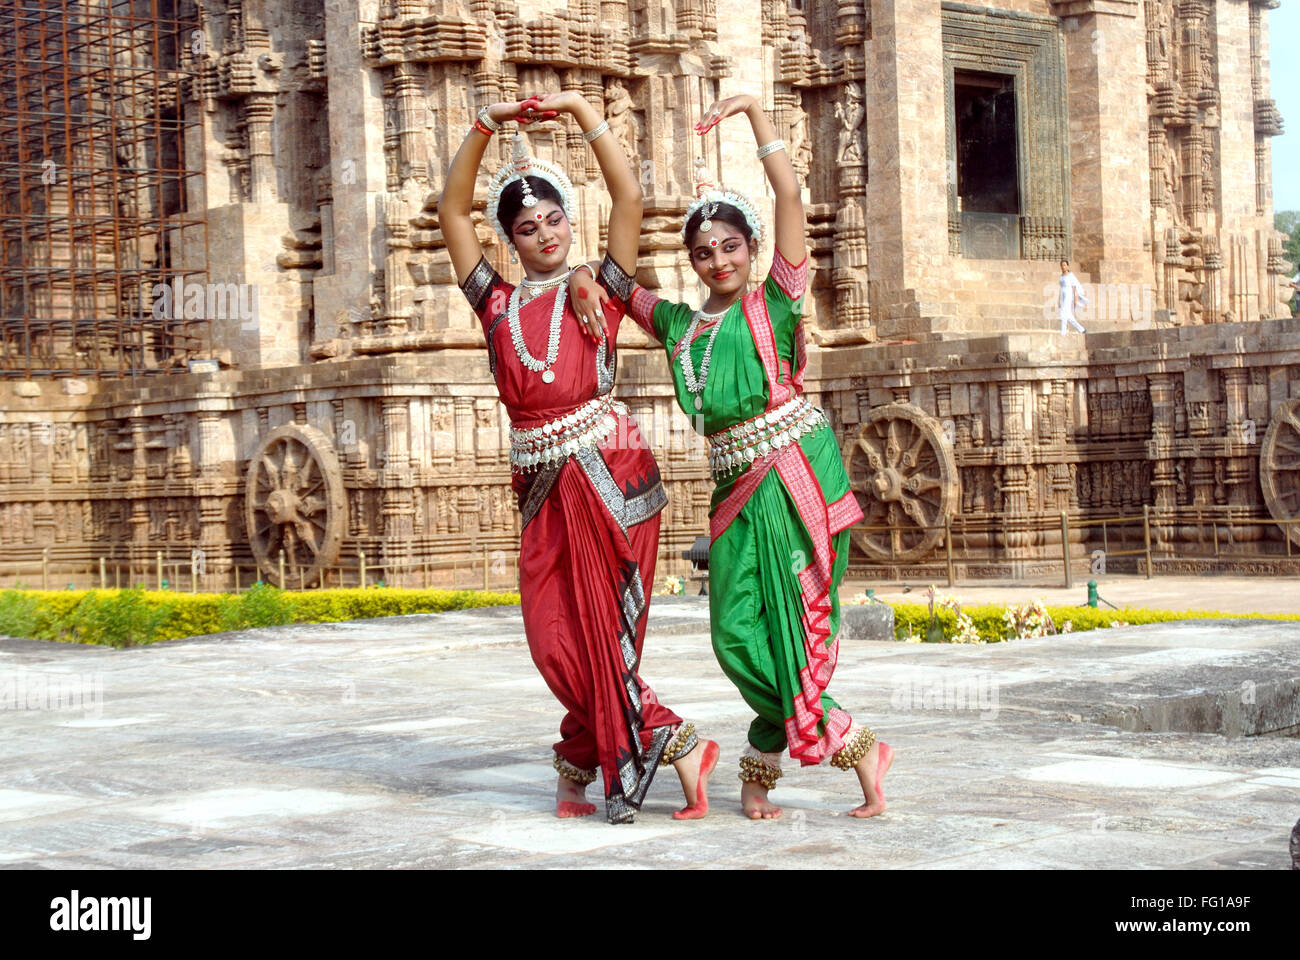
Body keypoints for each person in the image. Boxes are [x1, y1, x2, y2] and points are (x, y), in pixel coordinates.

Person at [569, 94, 893, 820]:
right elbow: (620, 287)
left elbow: (788, 195)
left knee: (789, 628)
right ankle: (838, 750)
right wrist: (582, 276)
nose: (719, 260)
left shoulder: (777, 300)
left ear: (752, 251)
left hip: (796, 476)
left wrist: (754, 114)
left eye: (731, 247)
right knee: (736, 633)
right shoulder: (682, 325)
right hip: (736, 489)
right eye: (704, 252)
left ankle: (776, 771)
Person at [437, 92, 718, 824]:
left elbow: (627, 193)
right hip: (539, 485)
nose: (545, 235)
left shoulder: (604, 289)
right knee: (553, 639)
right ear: (510, 240)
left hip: (610, 476)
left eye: (555, 220)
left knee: (601, 639)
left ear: (571, 220)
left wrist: (580, 110)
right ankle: (645, 747)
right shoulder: (495, 304)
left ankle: (640, 755)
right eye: (527, 228)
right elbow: (450, 212)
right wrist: (485, 126)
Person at [1058, 260, 1088, 334]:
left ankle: (1063, 333)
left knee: (1063, 314)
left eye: (1064, 265)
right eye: (1062, 265)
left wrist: (1075, 298)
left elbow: (1074, 287)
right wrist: (1059, 299)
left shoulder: (1071, 275)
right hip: (1063, 295)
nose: (1063, 267)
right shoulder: (1061, 276)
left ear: (1067, 266)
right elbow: (1061, 288)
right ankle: (1081, 329)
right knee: (1068, 315)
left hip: (1069, 295)